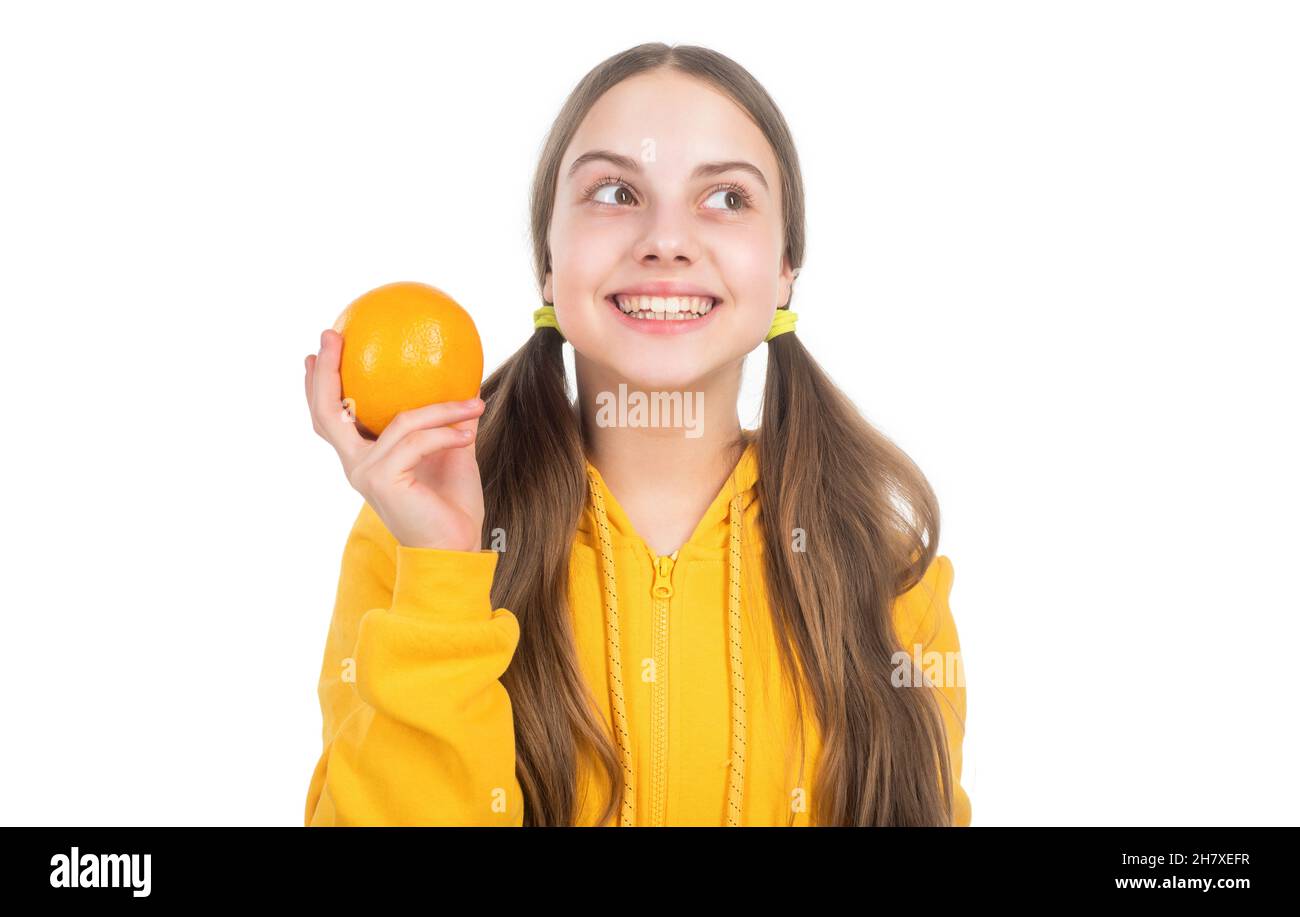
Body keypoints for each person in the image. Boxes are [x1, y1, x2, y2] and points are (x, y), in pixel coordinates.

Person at [301, 42, 969, 827]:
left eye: (726, 199)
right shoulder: (409, 548)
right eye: (616, 191)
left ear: (786, 266)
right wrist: (443, 576)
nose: (666, 240)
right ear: (547, 263)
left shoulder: (889, 569)